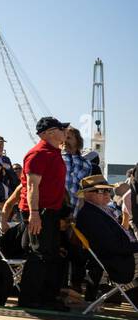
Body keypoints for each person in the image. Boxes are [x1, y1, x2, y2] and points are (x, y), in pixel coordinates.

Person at [18, 117, 69, 308]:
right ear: (48, 133)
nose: (65, 131)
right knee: (39, 254)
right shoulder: (38, 154)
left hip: (50, 213)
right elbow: (32, 186)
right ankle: (30, 300)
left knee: (50, 254)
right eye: (61, 128)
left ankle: (46, 298)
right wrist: (35, 213)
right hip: (40, 212)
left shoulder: (54, 153)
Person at [75, 175, 138, 285]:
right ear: (86, 194)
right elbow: (112, 246)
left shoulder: (101, 210)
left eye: (108, 190)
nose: (106, 194)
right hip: (118, 263)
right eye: (100, 190)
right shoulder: (90, 215)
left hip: (123, 257)